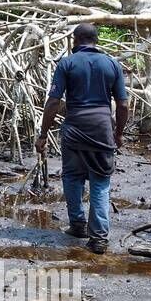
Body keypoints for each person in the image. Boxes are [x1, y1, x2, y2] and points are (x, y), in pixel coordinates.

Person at [37, 23, 130, 254]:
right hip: (102, 129)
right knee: (100, 183)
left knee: (72, 177)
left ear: (76, 40)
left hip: (74, 129)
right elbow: (123, 104)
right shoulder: (112, 64)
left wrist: (43, 134)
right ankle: (98, 239)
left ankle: (78, 225)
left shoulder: (67, 63)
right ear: (96, 40)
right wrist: (118, 133)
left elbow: (53, 102)